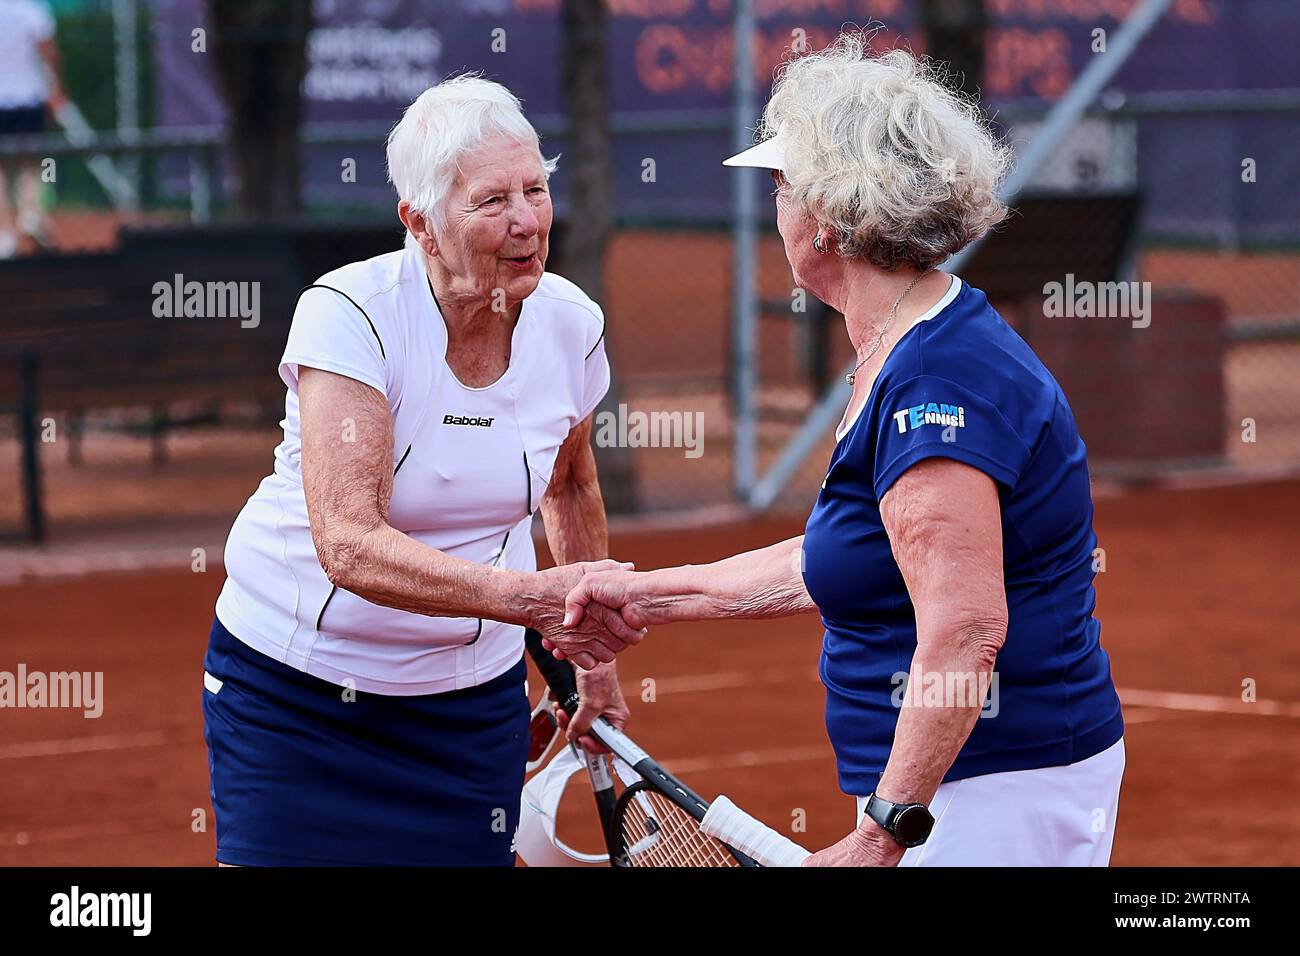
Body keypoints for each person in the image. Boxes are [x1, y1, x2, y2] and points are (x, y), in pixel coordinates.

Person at [556, 34, 1126, 867]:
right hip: (957, 792)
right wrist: (644, 594)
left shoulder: (938, 381)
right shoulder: (908, 349)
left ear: (828, 216)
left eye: (784, 185)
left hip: (993, 795)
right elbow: (846, 556)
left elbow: (965, 631)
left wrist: (879, 836)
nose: (775, 205)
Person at [202, 75, 642, 867]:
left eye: (535, 190)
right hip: (296, 700)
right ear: (421, 222)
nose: (526, 221)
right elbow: (349, 542)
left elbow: (569, 484)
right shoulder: (350, 314)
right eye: (491, 201)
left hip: (467, 711)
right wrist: (528, 601)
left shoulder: (570, 322)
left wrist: (592, 665)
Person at [0, 0, 66, 257]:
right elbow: (49, 51)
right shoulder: (33, 9)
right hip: (29, 98)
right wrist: (57, 89)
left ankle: (5, 234)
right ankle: (29, 215)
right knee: (31, 162)